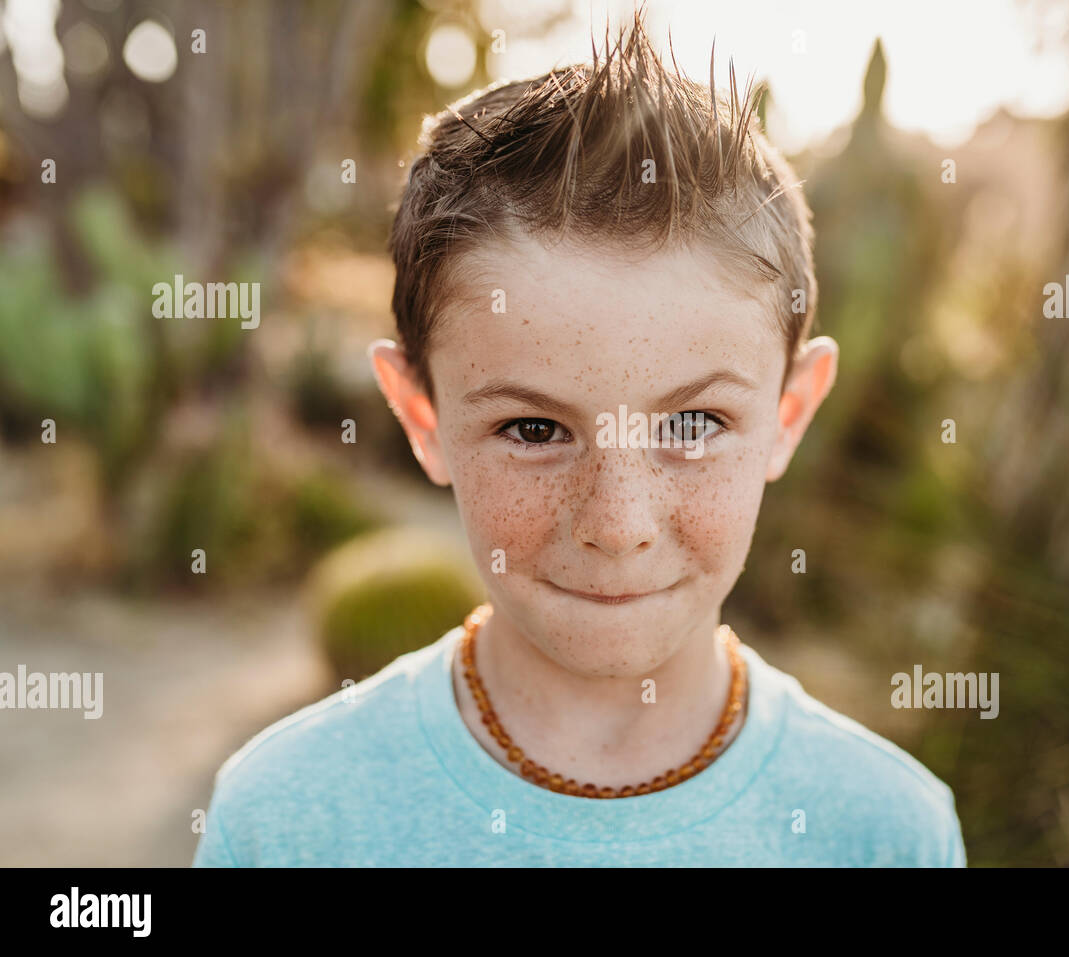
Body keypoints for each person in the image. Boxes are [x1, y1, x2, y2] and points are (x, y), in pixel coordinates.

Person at [193, 8, 965, 867]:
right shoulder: (285, 819)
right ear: (422, 418)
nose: (618, 520)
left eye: (693, 423)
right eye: (533, 427)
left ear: (789, 413)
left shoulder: (887, 832)